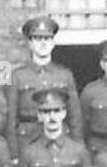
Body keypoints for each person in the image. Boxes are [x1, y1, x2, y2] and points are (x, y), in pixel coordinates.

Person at [6, 15, 82, 157]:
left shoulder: (65, 75)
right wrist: (14, 154)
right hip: (27, 139)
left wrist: (78, 147)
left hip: (59, 139)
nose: (43, 43)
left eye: (47, 39)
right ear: (30, 43)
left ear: (53, 43)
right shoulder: (17, 76)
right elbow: (11, 119)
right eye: (37, 39)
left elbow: (75, 117)